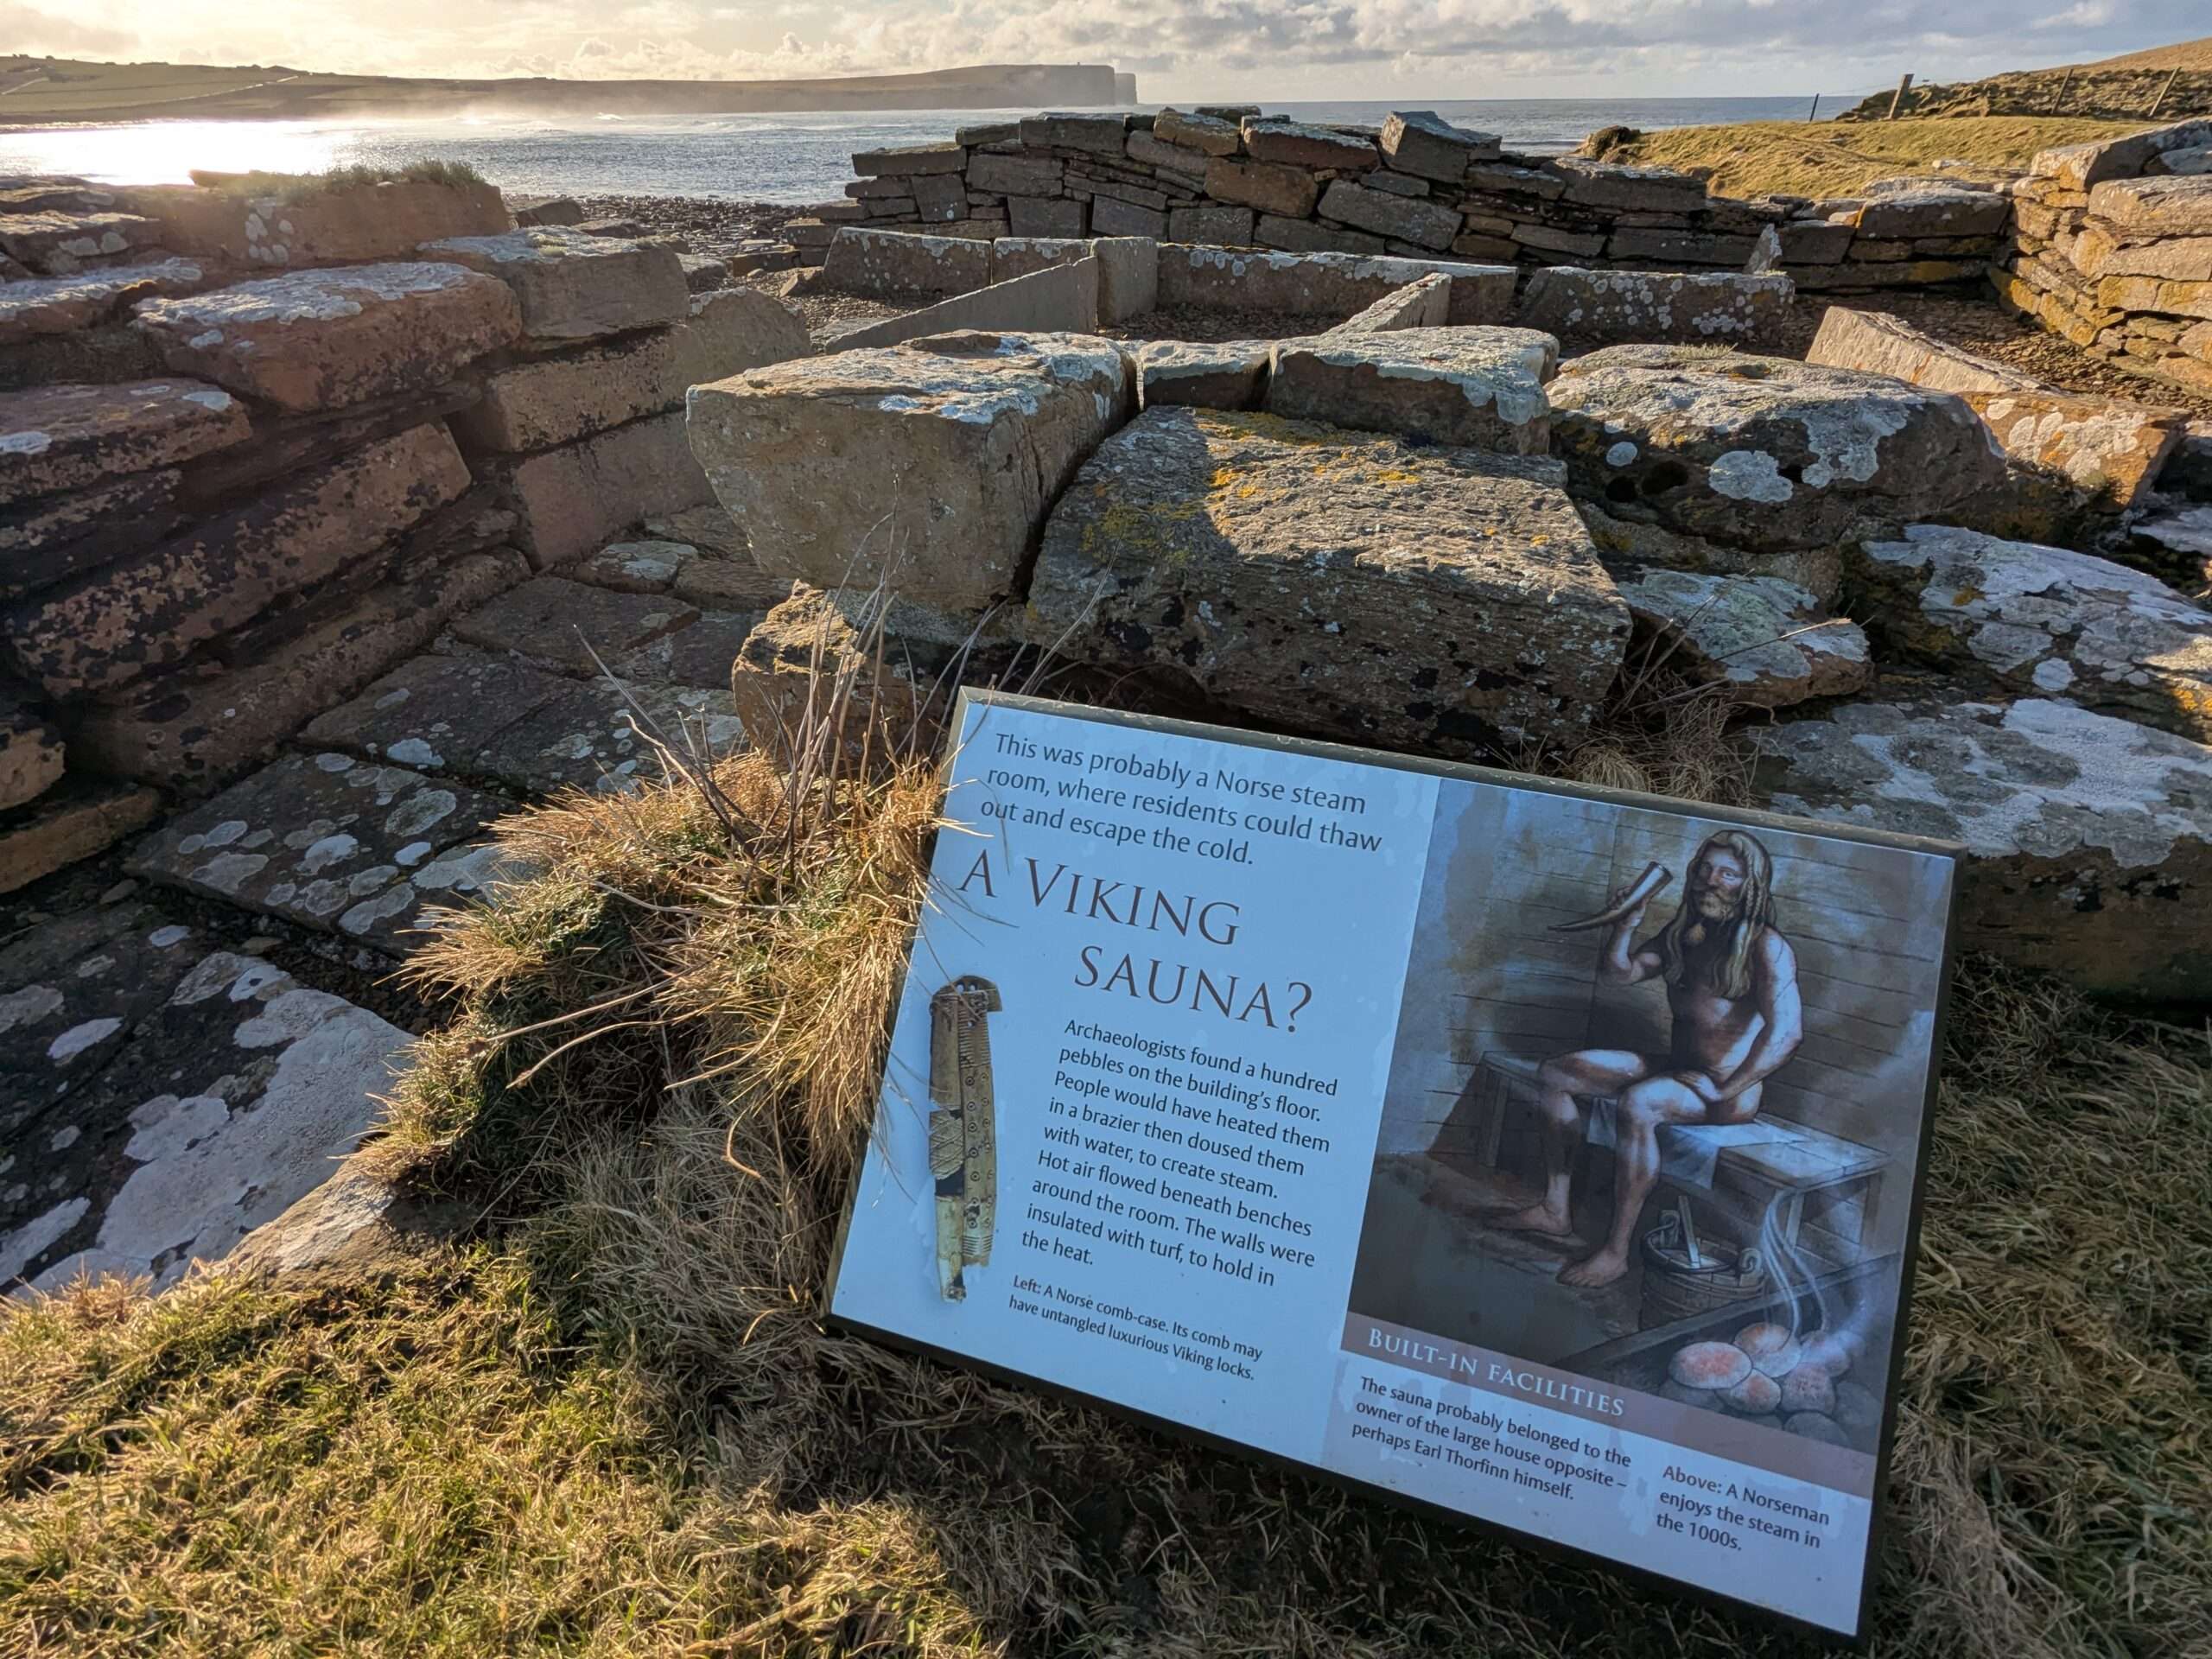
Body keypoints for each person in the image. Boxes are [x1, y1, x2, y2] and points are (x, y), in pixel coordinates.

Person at [1497, 830, 1803, 1289]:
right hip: (1680, 1070)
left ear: (1750, 886)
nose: (1709, 881)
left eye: (1726, 874)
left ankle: (1616, 1252)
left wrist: (1726, 1087)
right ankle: (1554, 1210)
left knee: (1639, 1103)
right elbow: (1622, 974)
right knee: (1558, 1073)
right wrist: (1627, 924)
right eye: (1703, 869)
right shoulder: (1688, 933)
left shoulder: (1766, 946)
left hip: (1728, 1090)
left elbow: (1788, 1033)